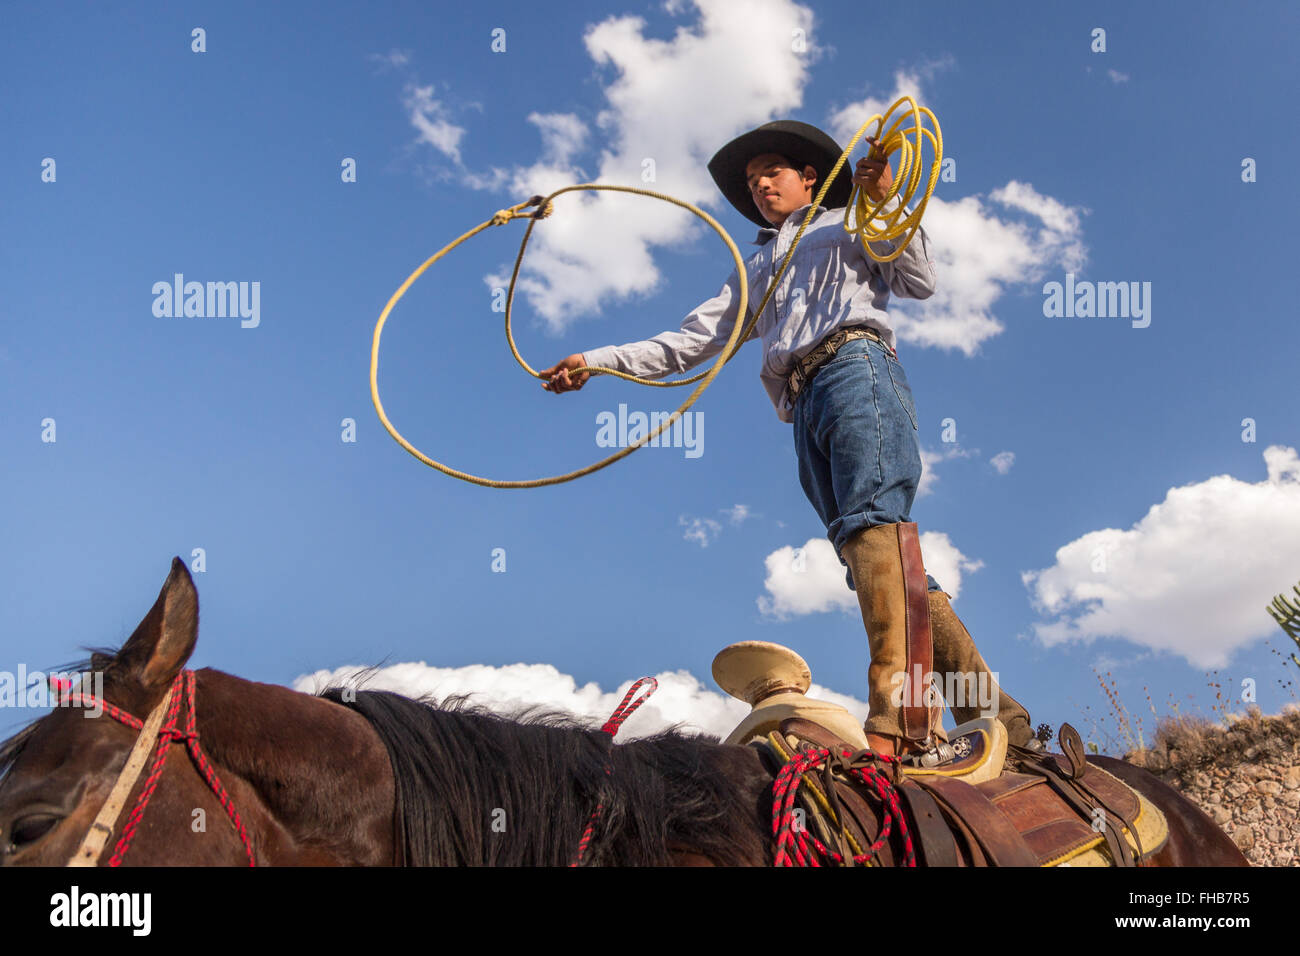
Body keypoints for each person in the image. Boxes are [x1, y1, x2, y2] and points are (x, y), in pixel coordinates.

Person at [541, 120, 1036, 759]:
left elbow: (918, 280)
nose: (759, 187)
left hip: (857, 367)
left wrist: (884, 198)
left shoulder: (849, 222)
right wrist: (599, 359)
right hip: (802, 402)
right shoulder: (754, 267)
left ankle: (900, 723)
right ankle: (1003, 720)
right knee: (871, 556)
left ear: (809, 177)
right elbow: (688, 343)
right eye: (750, 182)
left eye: (770, 173)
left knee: (873, 528)